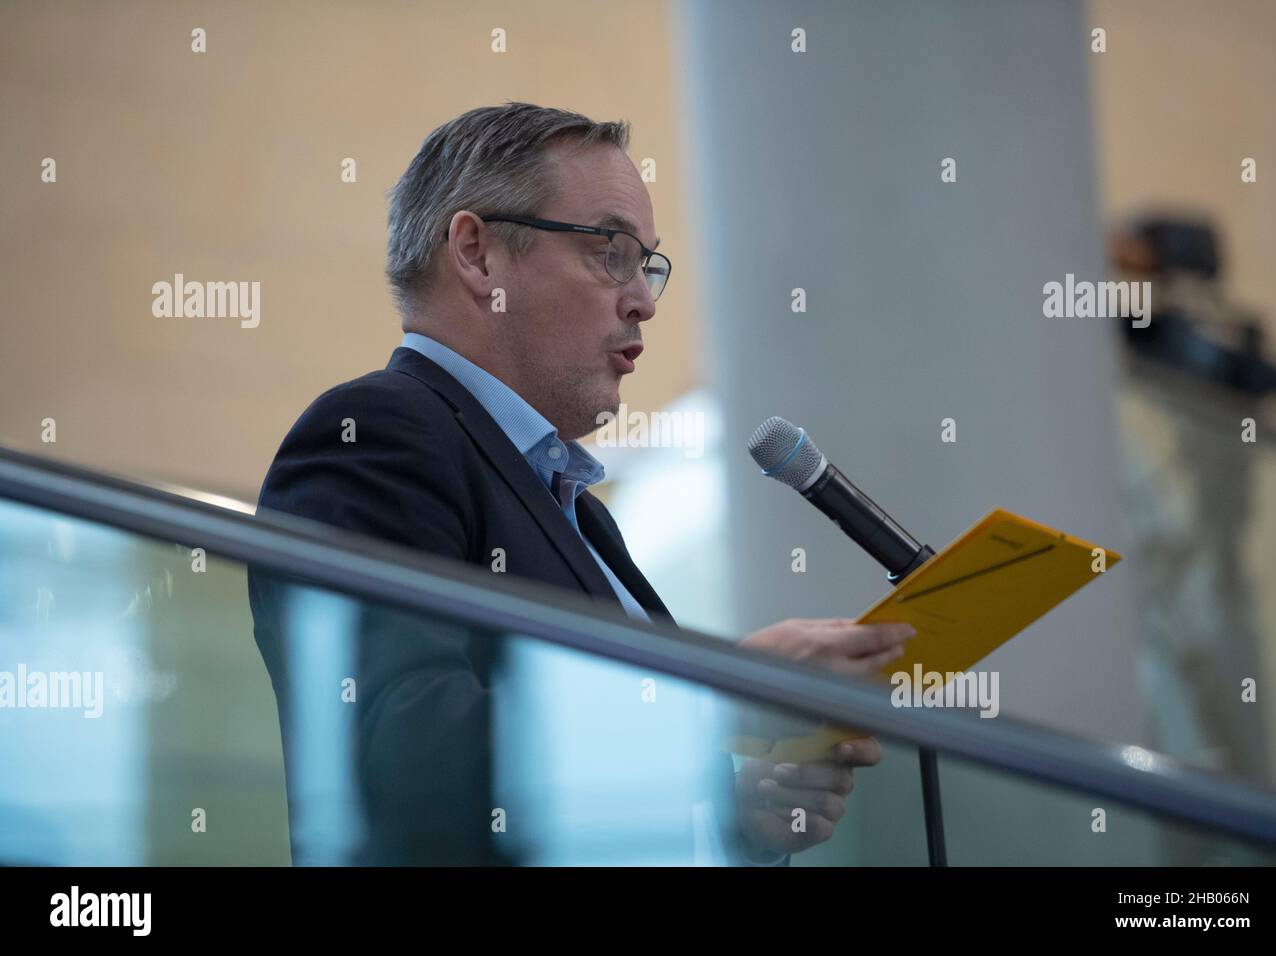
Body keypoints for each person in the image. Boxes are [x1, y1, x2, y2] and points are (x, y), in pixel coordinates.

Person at [248, 102, 913, 865]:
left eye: (648, 264)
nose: (645, 300)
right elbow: (397, 757)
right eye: (611, 252)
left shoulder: (584, 518)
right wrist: (725, 692)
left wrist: (732, 820)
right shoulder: (370, 434)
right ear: (479, 254)